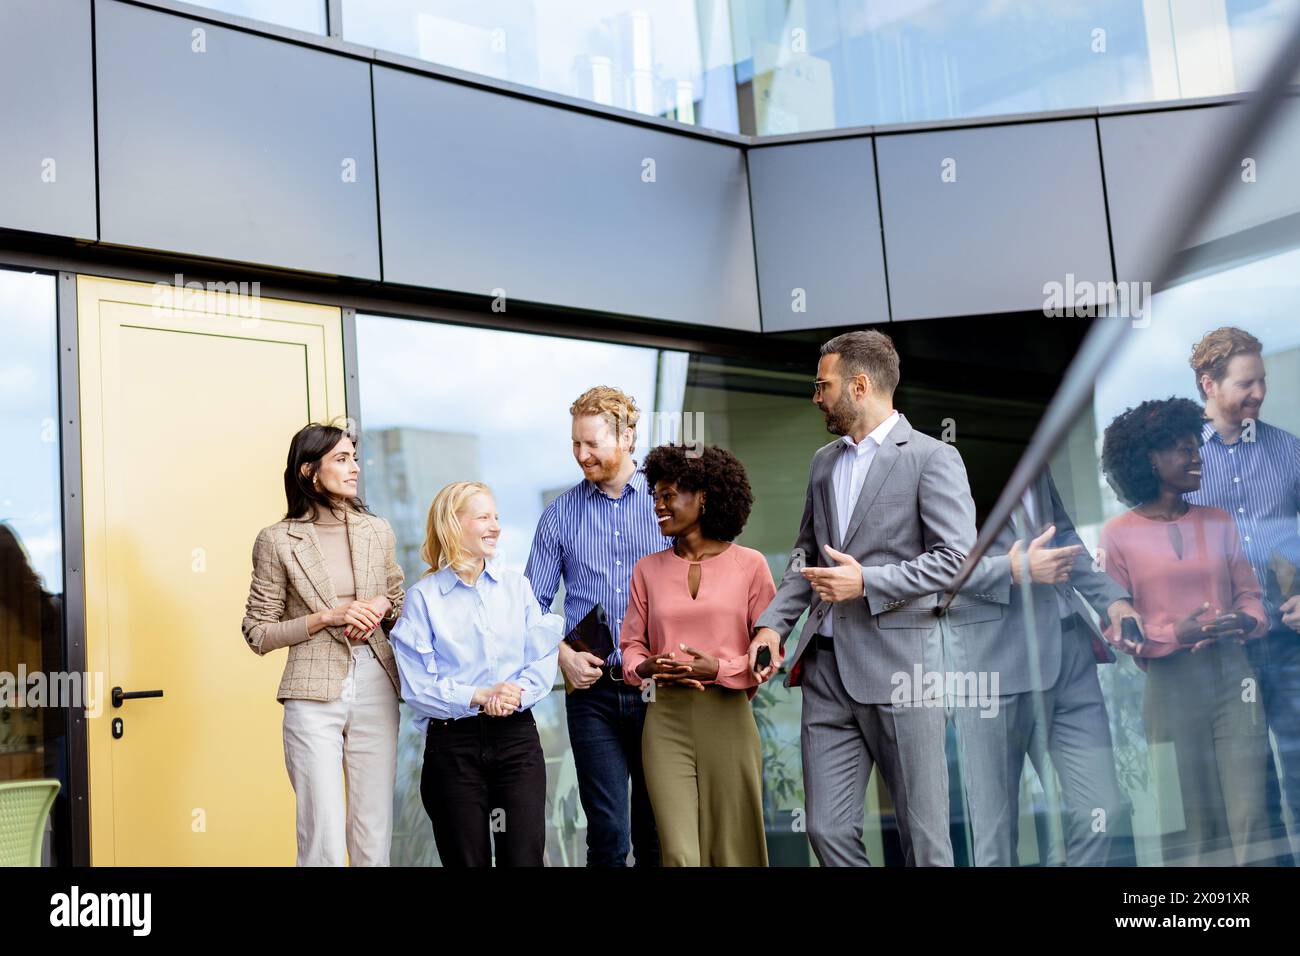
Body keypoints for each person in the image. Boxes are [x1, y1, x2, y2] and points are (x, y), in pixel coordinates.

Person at [749, 330, 977, 866]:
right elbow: (805, 554)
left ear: (859, 385)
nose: (815, 396)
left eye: (821, 384)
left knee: (924, 839)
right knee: (826, 829)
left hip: (902, 670)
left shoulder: (932, 458)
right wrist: (772, 625)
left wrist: (867, 582)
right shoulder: (823, 462)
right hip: (825, 669)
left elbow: (956, 561)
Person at [1099, 397, 1272, 865]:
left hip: (1234, 681)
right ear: (1150, 459)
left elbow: (1252, 597)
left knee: (1250, 816)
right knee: (1191, 827)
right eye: (1183, 448)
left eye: (1197, 446)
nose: (1197, 457)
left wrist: (1245, 620)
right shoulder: (1118, 535)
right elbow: (1115, 626)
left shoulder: (1218, 520)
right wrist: (1176, 631)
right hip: (1169, 689)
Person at [951, 467, 1141, 866]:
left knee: (1101, 810)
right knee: (997, 838)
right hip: (991, 663)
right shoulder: (935, 452)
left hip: (1068, 649)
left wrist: (1112, 600)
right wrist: (1015, 569)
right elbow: (929, 565)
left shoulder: (1031, 445)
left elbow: (1063, 535)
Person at [242, 422, 405, 867]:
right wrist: (326, 617)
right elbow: (257, 631)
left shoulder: (377, 530)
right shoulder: (277, 539)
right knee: (322, 835)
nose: (354, 468)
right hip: (312, 692)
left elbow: (399, 600)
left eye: (354, 458)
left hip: (376, 679)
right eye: (342, 459)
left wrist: (380, 605)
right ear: (310, 471)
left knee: (373, 830)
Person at [525, 387, 668, 866]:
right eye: (575, 444)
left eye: (592, 444)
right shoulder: (559, 515)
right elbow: (531, 607)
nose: (581, 455)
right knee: (607, 834)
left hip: (658, 686)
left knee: (657, 830)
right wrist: (561, 653)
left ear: (627, 437)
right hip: (594, 694)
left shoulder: (666, 503)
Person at [389, 481, 564, 867]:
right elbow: (417, 688)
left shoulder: (517, 588)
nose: (496, 526)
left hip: (516, 739)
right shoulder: (423, 598)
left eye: (497, 517)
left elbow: (542, 655)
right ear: (453, 524)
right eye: (484, 517)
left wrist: (516, 692)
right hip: (453, 747)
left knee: (524, 859)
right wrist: (480, 695)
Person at [620, 443, 776, 867]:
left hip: (727, 716)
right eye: (655, 495)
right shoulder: (646, 570)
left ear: (703, 496)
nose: (658, 505)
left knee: (734, 850)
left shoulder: (751, 565)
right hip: (665, 721)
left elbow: (768, 653)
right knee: (678, 853)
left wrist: (721, 668)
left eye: (668, 494)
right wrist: (645, 666)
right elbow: (631, 646)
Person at [1185, 327, 1300, 857]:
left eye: (1262, 381)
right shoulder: (1180, 464)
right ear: (1209, 384)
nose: (1258, 392)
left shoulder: (1289, 452)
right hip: (1225, 654)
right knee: (1253, 799)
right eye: (1245, 383)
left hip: (1292, 646)